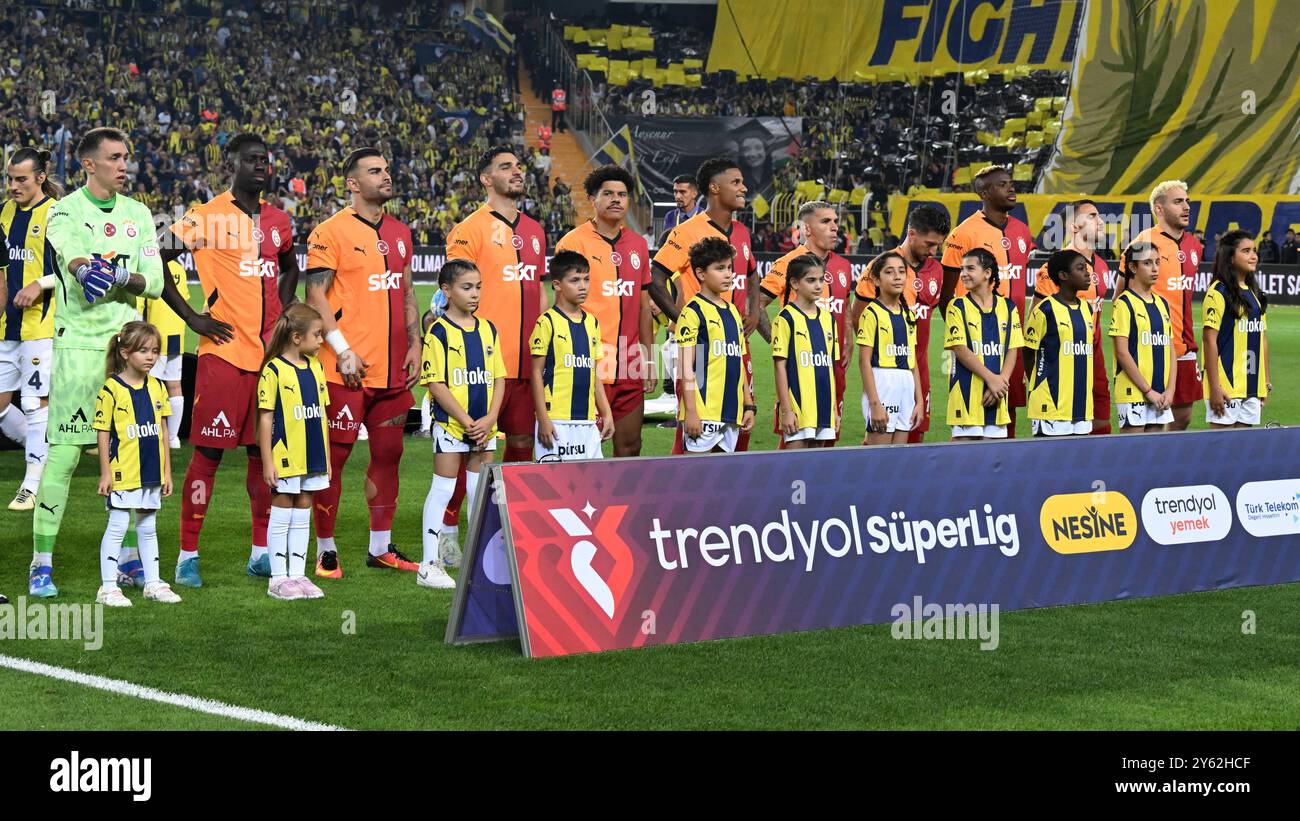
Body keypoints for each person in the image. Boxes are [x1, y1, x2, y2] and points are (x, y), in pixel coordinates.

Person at [30, 127, 164, 599]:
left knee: (130, 456)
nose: (124, 165)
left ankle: (128, 558)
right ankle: (41, 564)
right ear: (89, 164)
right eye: (114, 158)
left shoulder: (140, 213)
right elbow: (69, 252)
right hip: (80, 351)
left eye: (126, 156)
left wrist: (123, 275)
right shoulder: (64, 209)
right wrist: (87, 268)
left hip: (127, 354)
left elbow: (157, 283)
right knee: (64, 457)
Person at [163, 132, 297, 587]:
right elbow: (159, 256)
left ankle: (261, 552)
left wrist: (280, 312)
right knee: (209, 455)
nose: (261, 166)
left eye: (266, 160)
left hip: (268, 359)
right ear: (232, 163)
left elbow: (291, 265)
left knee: (263, 456)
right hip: (223, 353)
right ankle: (187, 555)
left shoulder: (279, 220)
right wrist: (191, 318)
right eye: (252, 159)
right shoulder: (207, 216)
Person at [304, 147, 420, 577]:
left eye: (387, 169)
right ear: (353, 184)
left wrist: (416, 342)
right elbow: (315, 295)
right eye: (375, 171)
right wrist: (342, 347)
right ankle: (326, 548)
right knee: (334, 457)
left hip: (392, 371)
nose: (385, 176)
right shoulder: (329, 232)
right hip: (344, 371)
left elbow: (407, 290)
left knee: (389, 453)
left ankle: (380, 547)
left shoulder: (401, 232)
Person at [437, 146, 546, 567]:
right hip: (478, 368)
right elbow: (454, 293)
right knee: (469, 452)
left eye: (519, 166)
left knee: (520, 446)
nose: (517, 172)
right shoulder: (469, 230)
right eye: (506, 167)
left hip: (524, 365)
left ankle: (505, 533)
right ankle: (448, 535)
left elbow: (537, 292)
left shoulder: (535, 231)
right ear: (485, 179)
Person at [649, 157, 761, 454]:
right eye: (735, 182)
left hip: (736, 346)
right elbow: (655, 277)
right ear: (714, 187)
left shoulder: (742, 232)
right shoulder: (686, 231)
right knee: (692, 437)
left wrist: (755, 311)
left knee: (739, 432)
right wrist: (686, 320)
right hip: (700, 350)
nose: (743, 188)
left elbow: (752, 272)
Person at [418, 259, 505, 590]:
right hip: (454, 427)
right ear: (446, 290)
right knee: (442, 489)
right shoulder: (438, 332)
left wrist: (491, 418)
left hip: (485, 427)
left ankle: (482, 561)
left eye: (478, 287)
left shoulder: (488, 329)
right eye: (466, 287)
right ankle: (429, 565)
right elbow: (436, 383)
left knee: (480, 493)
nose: (474, 294)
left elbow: (499, 377)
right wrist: (468, 421)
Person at [555, 165, 652, 457]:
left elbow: (644, 306)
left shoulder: (638, 245)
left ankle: (624, 503)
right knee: (583, 449)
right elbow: (561, 306)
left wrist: (647, 358)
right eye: (608, 193)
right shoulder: (573, 242)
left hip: (629, 358)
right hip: (588, 358)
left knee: (630, 445)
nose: (616, 199)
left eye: (622, 194)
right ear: (592, 199)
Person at [940, 166, 1036, 437]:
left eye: (1011, 183)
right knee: (970, 406)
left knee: (1010, 402)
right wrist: (962, 338)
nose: (1011, 188)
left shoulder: (1022, 231)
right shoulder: (963, 233)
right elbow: (947, 296)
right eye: (1002, 184)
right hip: (973, 339)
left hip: (1010, 339)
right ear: (984, 192)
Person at [92, 321, 181, 607]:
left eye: (155, 351)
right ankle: (107, 587)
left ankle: (153, 583)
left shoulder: (157, 387)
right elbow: (103, 432)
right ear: (125, 352)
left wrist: (167, 471)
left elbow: (164, 431)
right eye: (144, 350)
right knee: (118, 524)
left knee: (148, 525)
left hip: (152, 470)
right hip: (123, 471)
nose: (151, 357)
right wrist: (105, 472)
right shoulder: (111, 389)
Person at [757, 201, 853, 445]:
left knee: (827, 442)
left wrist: (848, 340)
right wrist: (779, 343)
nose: (834, 228)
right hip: (799, 372)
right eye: (825, 222)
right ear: (807, 229)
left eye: (835, 222)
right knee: (795, 442)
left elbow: (846, 303)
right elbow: (757, 304)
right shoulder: (789, 264)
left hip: (831, 368)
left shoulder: (843, 266)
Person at [850, 205, 949, 443]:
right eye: (929, 244)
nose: (933, 251)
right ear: (911, 233)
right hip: (886, 371)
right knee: (878, 442)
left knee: (914, 437)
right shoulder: (881, 267)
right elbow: (858, 318)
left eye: (938, 245)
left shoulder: (936, 270)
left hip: (918, 368)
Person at [1116, 180, 1203, 431]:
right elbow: (1121, 295)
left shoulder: (1193, 245)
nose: (1186, 206)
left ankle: (1164, 465)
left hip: (1184, 343)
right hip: (1150, 345)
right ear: (1159, 209)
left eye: (1187, 201)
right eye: (1178, 202)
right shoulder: (1143, 243)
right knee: (1145, 418)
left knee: (1183, 415)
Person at [256, 303, 330, 601]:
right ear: (297, 337)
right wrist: (267, 461)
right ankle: (278, 578)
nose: (322, 340)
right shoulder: (273, 370)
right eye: (318, 334)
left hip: (312, 452)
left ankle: (298, 574)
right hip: (285, 454)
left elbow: (322, 413)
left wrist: (325, 456)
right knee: (283, 510)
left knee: (303, 510)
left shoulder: (316, 366)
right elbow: (265, 418)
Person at [1, 147, 61, 510]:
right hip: (7, 327)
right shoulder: (6, 213)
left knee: (34, 403)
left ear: (40, 177)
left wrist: (40, 284)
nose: (13, 186)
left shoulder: (56, 214)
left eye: (21, 179)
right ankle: (46, 454)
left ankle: (32, 482)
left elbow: (71, 268)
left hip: (41, 326)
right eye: (10, 179)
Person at [1034, 199, 1112, 434]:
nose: (1100, 221)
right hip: (1062, 358)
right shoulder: (1056, 267)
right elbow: (1035, 322)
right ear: (1074, 226)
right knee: (1064, 430)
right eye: (1092, 216)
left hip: (1093, 354)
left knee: (1100, 423)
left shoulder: (1102, 266)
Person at [530, 250, 615, 461]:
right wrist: (543, 418)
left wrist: (606, 412)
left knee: (593, 486)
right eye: (575, 280)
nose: (582, 286)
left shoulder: (592, 322)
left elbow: (594, 373)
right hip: (556, 421)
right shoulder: (546, 322)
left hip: (587, 420)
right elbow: (536, 374)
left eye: (586, 279)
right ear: (557, 284)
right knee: (555, 487)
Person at [675, 236, 756, 453]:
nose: (729, 274)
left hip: (731, 411)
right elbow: (686, 368)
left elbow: (738, 363)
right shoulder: (693, 312)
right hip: (703, 412)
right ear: (701, 273)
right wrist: (691, 411)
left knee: (721, 481)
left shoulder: (732, 312)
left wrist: (748, 405)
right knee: (695, 480)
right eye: (720, 268)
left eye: (730, 267)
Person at [944, 248, 1024, 441]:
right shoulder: (957, 307)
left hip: (996, 396)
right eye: (962, 269)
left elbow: (1013, 349)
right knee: (963, 461)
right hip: (966, 396)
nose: (963, 274)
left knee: (992, 462)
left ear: (987, 273)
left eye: (970, 268)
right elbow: (960, 349)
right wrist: (992, 379)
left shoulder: (1008, 307)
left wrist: (1001, 381)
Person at [771, 254, 839, 449]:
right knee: (795, 470)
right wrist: (786, 410)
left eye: (821, 280)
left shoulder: (829, 319)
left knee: (816, 470)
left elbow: (830, 369)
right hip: (798, 407)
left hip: (824, 406)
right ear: (795, 283)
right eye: (811, 280)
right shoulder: (786, 318)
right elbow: (780, 368)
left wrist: (833, 409)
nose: (818, 285)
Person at [1024, 250, 1095, 437]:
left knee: (1078, 463)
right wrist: (1038, 385)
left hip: (1081, 405)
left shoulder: (1087, 309)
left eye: (1087, 268)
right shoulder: (1045, 309)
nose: (1088, 273)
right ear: (1063, 276)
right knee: (1048, 463)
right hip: (1050, 405)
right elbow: (1028, 351)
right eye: (1081, 269)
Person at [1202, 230, 1269, 428]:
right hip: (1226, 386)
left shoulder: (1255, 294)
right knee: (1222, 451)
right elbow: (1209, 340)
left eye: (1254, 250)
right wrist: (1214, 387)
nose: (1253, 256)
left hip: (1251, 386)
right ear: (1230, 257)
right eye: (1246, 251)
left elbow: (1262, 339)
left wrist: (1265, 383)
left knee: (1243, 453)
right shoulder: (1218, 292)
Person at [1110, 242, 1176, 433]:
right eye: (1147, 263)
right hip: (1134, 393)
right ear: (1132, 267)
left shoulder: (1162, 304)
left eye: (1157, 262)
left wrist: (1170, 390)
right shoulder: (1124, 303)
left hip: (1161, 393)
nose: (1155, 268)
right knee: (1132, 456)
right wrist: (1148, 391)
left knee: (1154, 457)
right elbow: (1122, 353)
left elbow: (1170, 350)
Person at [857, 252, 922, 445]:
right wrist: (874, 404)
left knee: (898, 458)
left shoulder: (908, 314)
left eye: (902, 272)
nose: (897, 276)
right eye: (889, 272)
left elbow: (913, 362)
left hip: (906, 385)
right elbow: (864, 362)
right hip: (883, 383)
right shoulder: (871, 313)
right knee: (878, 457)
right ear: (876, 280)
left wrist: (918, 401)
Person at [138, 258, 189, 448]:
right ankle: (173, 438)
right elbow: (184, 298)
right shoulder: (178, 268)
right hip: (177, 332)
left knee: (152, 385)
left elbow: (139, 307)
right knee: (174, 385)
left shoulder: (148, 267)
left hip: (156, 335)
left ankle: (152, 432)